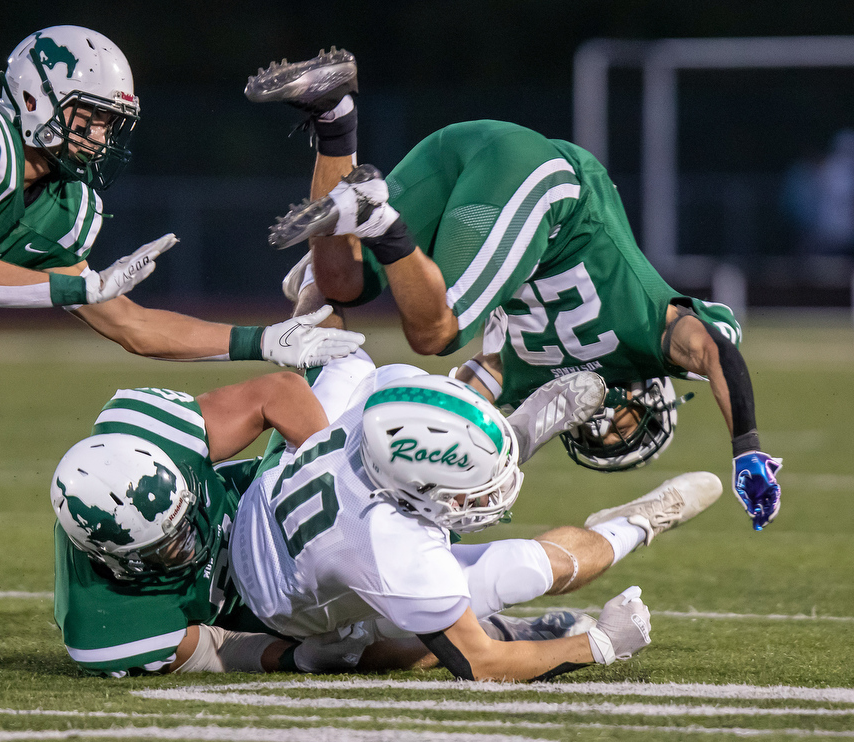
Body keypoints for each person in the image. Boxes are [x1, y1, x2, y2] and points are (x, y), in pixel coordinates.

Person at [244, 49, 781, 531]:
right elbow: (717, 348)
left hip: (466, 152)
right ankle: (379, 219)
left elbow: (450, 412)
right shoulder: (651, 336)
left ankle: (332, 114)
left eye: (598, 439)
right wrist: (746, 448)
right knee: (437, 332)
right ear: (646, 396)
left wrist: (454, 480)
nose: (602, 425)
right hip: (544, 185)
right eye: (623, 426)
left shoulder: (525, 377)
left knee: (340, 285)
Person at [0, 26, 363, 533]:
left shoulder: (60, 207)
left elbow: (130, 325)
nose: (100, 136)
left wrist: (265, 341)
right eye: (90, 116)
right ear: (33, 97)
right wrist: (81, 287)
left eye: (109, 122)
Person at [50, 358, 602, 677]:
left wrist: (330, 485)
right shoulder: (108, 630)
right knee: (360, 648)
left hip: (271, 494)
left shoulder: (146, 434)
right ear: (115, 562)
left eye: (184, 516)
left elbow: (277, 393)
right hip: (265, 605)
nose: (190, 540)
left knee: (348, 366)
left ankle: (495, 425)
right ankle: (500, 623)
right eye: (168, 549)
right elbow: (222, 650)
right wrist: (299, 658)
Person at [228, 360, 724, 681]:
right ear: (413, 493)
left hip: (262, 507)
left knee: (348, 363)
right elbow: (479, 664)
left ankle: (516, 435)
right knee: (525, 569)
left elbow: (438, 420)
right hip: (285, 606)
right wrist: (601, 644)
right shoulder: (392, 547)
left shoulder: (392, 397)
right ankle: (635, 525)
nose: (492, 497)